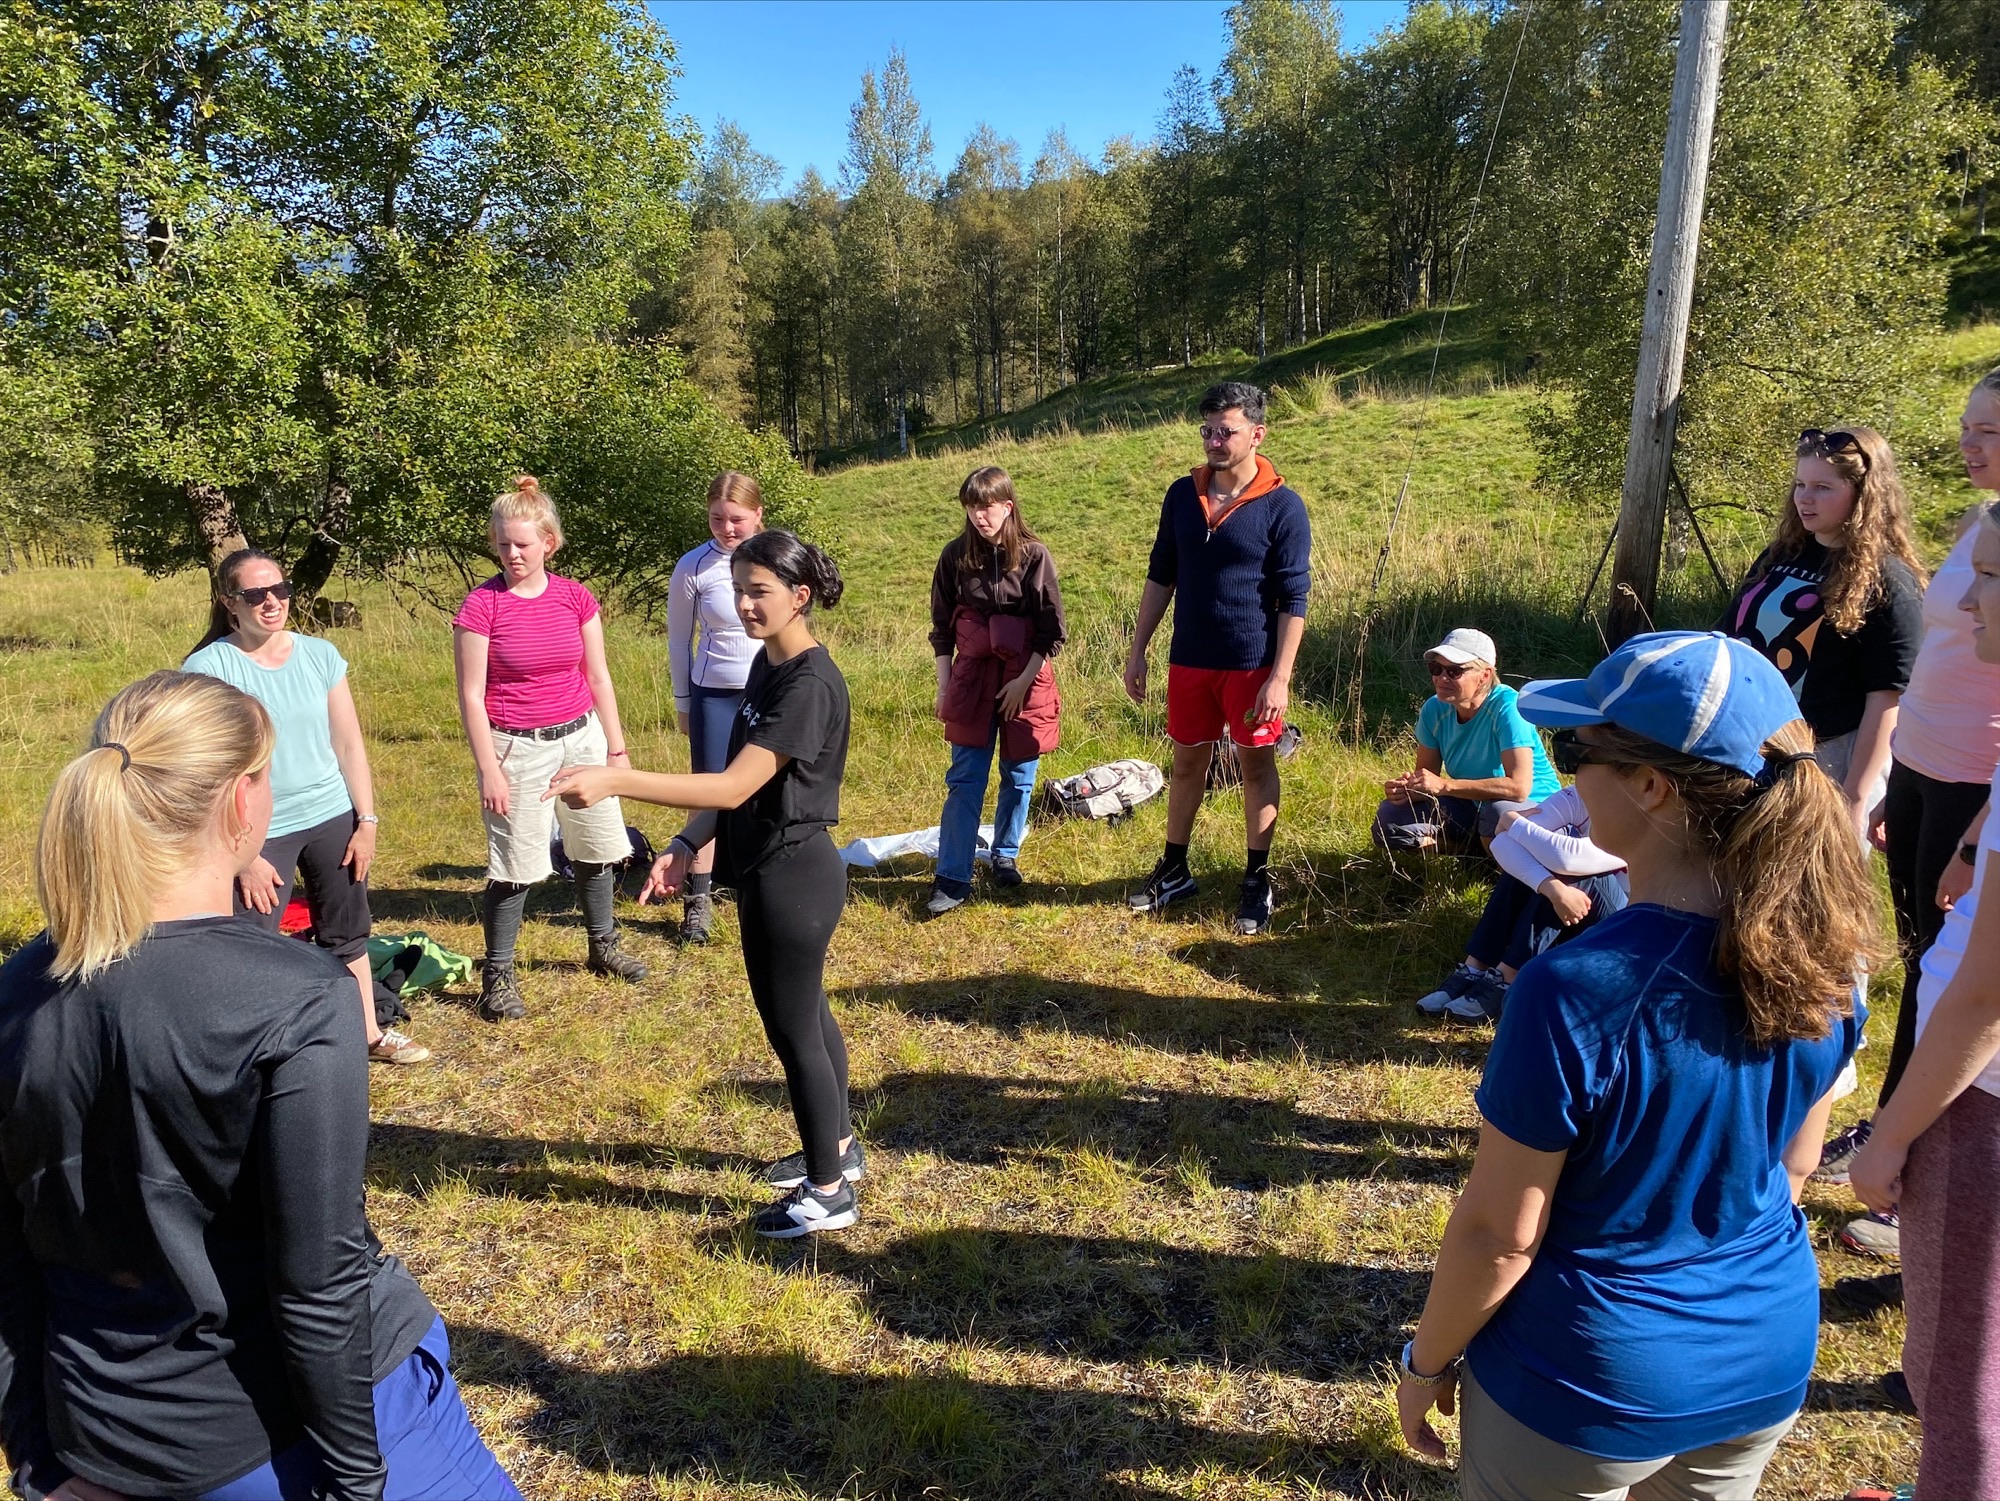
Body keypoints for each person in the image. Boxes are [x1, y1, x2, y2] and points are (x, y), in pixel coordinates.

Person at [0, 671, 519, 1500]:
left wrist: (40, 1457)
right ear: (245, 802)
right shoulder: (297, 995)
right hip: (295, 1434)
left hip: (111, 1432)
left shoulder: (17, 988)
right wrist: (357, 1483)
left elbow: (12, 1255)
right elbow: (320, 1284)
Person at [1396, 631, 1876, 1499]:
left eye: (1584, 752)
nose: (1569, 773)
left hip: (1586, 1380)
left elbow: (1499, 1235)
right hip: (1763, 1355)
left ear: (1653, 787)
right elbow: (1796, 1165)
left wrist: (1424, 1361)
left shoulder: (1574, 988)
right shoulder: (1831, 957)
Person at [549, 531, 858, 1239]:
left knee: (795, 1032)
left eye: (761, 592)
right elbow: (728, 788)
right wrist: (688, 842)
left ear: (799, 596)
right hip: (768, 868)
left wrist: (616, 779)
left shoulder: (809, 683)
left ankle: (829, 1191)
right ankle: (837, 1147)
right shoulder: (768, 665)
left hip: (795, 875)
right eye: (739, 589)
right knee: (807, 1015)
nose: (746, 604)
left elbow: (733, 782)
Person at [1818, 380, 2000, 1265]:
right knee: (1928, 965)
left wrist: (1974, 839)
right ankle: (1900, 1129)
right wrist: (1893, 779)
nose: (1970, 445)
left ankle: (1914, 1171)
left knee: (1956, 971)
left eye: (1989, 432)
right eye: (1966, 428)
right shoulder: (1980, 526)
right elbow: (1938, 659)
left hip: (1976, 785)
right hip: (1925, 771)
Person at [1848, 499, 2000, 1501]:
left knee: (1952, 1377)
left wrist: (1889, 1136)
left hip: (1977, 1101)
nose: (1964, 597)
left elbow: (1984, 997)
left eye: (1988, 577)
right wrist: (1968, 836)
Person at [184, 548, 429, 1065]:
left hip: (331, 817)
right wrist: (241, 857)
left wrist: (366, 821)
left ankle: (369, 1035)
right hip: (255, 830)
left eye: (281, 590)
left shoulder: (320, 654)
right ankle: (246, 1054)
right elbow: (207, 770)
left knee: (349, 933)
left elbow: (348, 744)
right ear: (230, 603)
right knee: (250, 945)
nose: (272, 602)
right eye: (256, 595)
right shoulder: (209, 667)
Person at [452, 474, 648, 1024]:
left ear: (548, 544)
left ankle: (602, 946)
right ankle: (497, 976)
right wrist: (489, 767)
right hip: (516, 746)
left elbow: (599, 676)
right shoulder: (481, 606)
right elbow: (470, 695)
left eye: (522, 544)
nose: (512, 554)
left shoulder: (575, 597)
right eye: (502, 544)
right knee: (515, 862)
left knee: (597, 846)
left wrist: (616, 750)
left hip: (581, 736)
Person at [1123, 381, 1312, 935]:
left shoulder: (1283, 505)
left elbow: (1293, 599)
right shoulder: (1182, 495)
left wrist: (1279, 677)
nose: (1213, 441)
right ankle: (1175, 868)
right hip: (1189, 661)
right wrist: (1139, 651)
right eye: (1207, 430)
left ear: (1257, 433)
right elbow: (1162, 574)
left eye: (1225, 431)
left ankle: (1257, 877)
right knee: (1186, 764)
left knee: (1255, 766)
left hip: (1251, 665)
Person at [1720, 426, 1924, 844]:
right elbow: (1728, 636)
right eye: (1800, 484)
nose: (1804, 498)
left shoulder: (1888, 580)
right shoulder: (1782, 553)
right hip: (1752, 746)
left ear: (1863, 494)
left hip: (1827, 758)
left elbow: (1888, 698)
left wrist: (1856, 796)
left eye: (1822, 487)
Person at [925, 466, 1065, 916]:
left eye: (987, 506)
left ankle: (1005, 855)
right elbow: (942, 630)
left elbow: (1052, 630)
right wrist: (944, 688)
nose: (979, 516)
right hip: (971, 680)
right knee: (965, 777)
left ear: (1007, 506)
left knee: (1019, 774)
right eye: (971, 506)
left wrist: (1024, 681)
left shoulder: (1035, 556)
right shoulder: (954, 557)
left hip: (1025, 677)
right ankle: (952, 876)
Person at [1412, 784, 1628, 1023]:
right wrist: (1551, 888)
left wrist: (1511, 821)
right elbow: (1501, 844)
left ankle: (1508, 977)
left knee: (1564, 868)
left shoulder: (1638, 809)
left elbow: (1567, 857)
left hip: (1626, 925)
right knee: (1532, 857)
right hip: (1573, 910)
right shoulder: (1579, 793)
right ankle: (1476, 967)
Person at [667, 471, 765, 945]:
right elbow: (679, 641)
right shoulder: (694, 566)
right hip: (713, 692)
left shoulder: (779, 558)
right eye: (717, 519)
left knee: (766, 789)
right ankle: (698, 899)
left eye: (737, 519)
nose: (727, 529)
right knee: (707, 793)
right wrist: (684, 703)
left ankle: (759, 882)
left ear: (758, 515)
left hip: (767, 686)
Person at [1374, 628, 1561, 853]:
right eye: (1436, 668)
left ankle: (1510, 870)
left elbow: (1519, 788)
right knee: (1390, 820)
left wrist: (1445, 785)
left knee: (1497, 812)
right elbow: (1426, 779)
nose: (1441, 678)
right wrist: (1407, 789)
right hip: (1472, 805)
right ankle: (1474, 857)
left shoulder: (1507, 708)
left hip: (1534, 809)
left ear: (1485, 675)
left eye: (1454, 671)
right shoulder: (1434, 709)